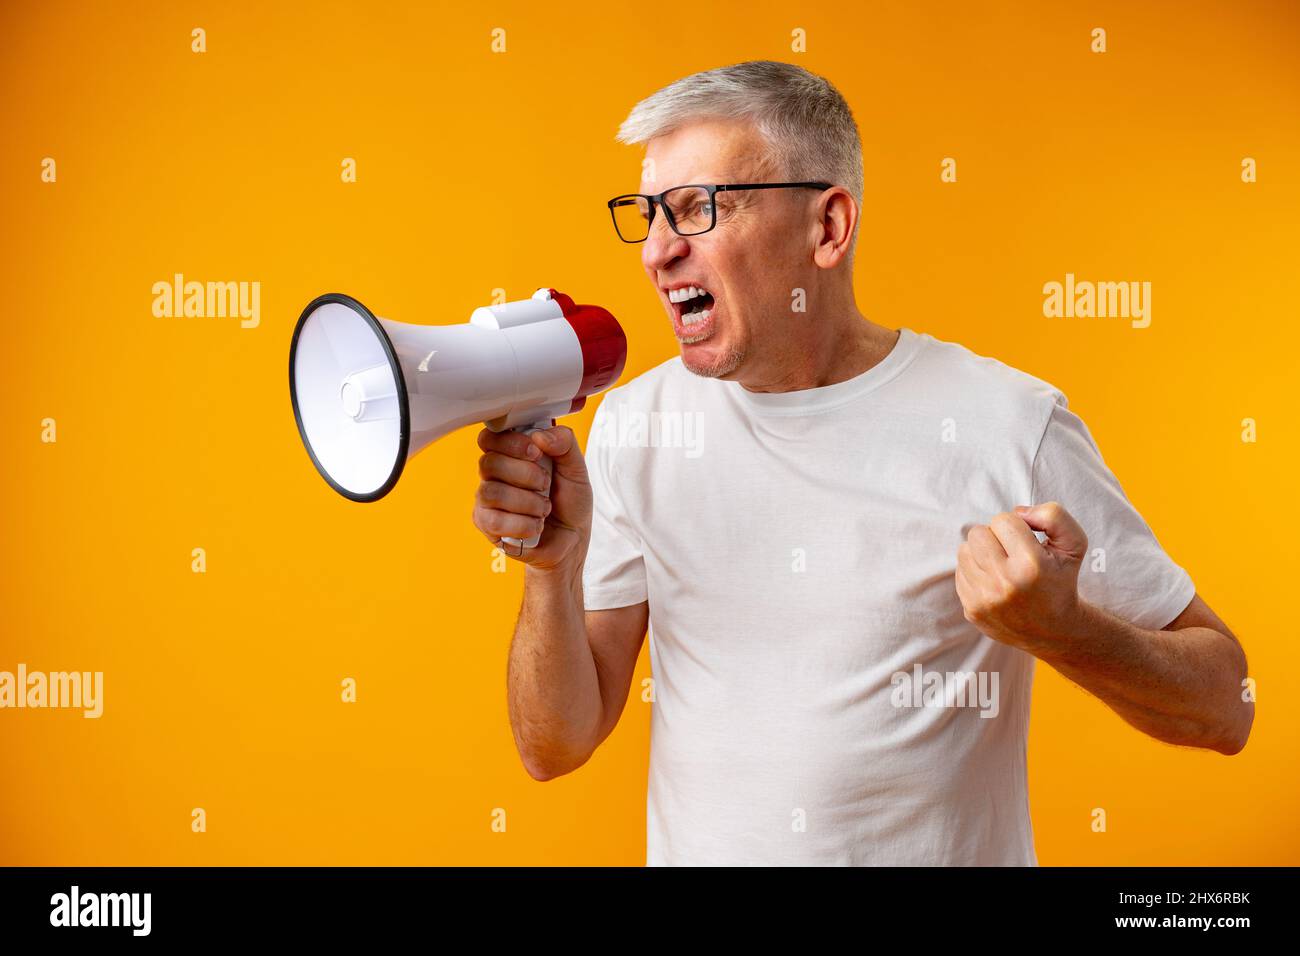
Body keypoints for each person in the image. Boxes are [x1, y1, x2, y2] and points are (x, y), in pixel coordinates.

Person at [471, 60, 1253, 865]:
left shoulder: (1009, 423)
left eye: (699, 209)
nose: (658, 252)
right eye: (649, 214)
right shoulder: (637, 424)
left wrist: (1067, 631)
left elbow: (1229, 706)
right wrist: (550, 570)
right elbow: (554, 745)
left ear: (828, 227)